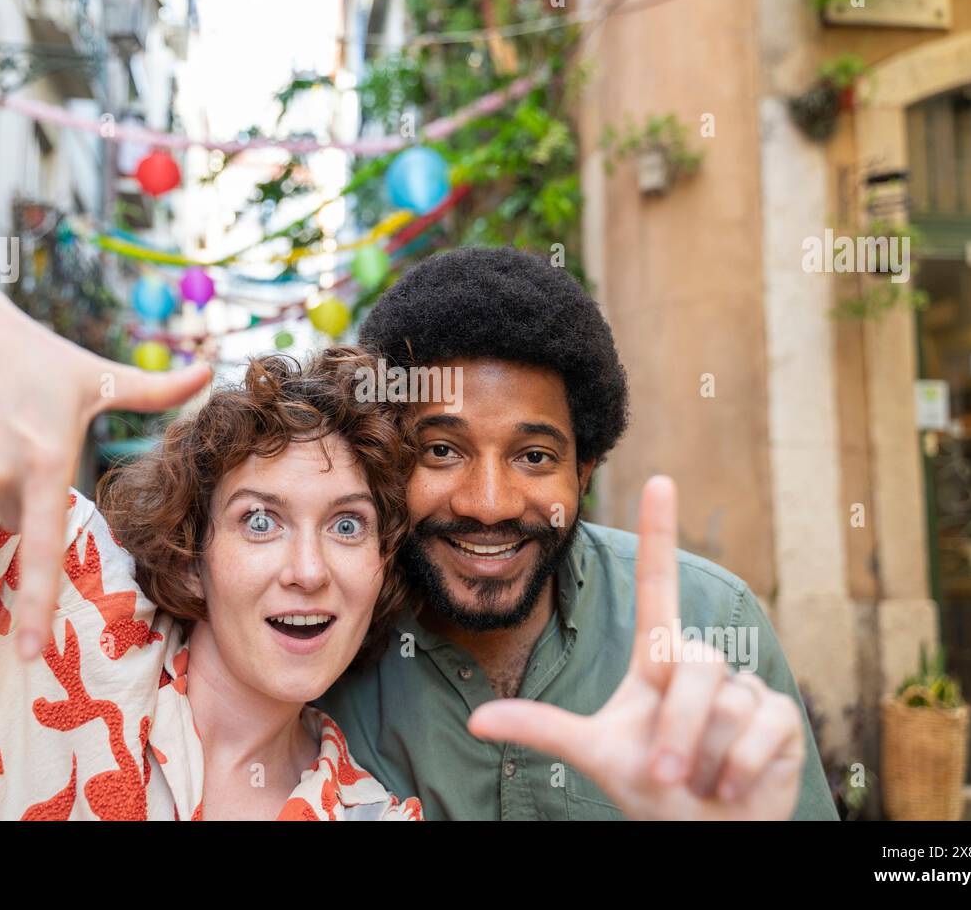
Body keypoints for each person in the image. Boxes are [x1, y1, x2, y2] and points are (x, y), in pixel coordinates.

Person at [0, 258, 422, 820]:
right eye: (259, 520)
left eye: (346, 525)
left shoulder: (374, 813)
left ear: (381, 565)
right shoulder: (70, 593)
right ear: (194, 559)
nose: (308, 570)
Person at [313, 246, 840, 820]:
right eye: (442, 450)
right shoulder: (321, 636)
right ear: (389, 456)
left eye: (534, 456)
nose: (489, 504)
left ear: (583, 473)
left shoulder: (714, 622)